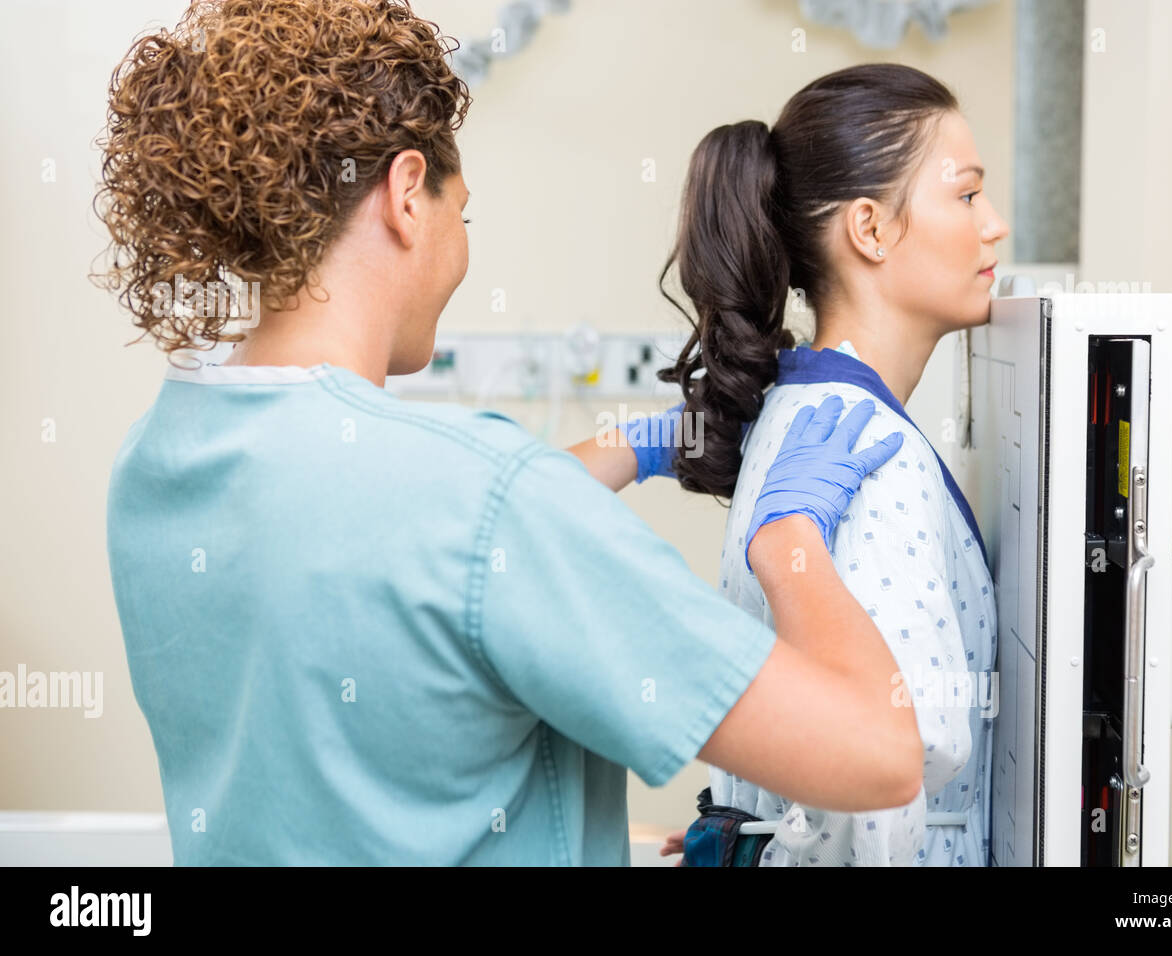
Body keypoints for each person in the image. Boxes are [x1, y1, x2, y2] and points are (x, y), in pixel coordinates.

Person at [93, 0, 918, 865]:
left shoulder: (157, 460)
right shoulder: (488, 502)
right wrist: (789, 532)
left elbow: (406, 538)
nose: (462, 243)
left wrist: (635, 445)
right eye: (465, 215)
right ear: (408, 195)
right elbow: (877, 752)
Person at [653, 63, 1010, 866]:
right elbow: (883, 782)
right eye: (966, 194)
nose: (995, 225)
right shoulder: (867, 451)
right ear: (870, 229)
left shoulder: (807, 413)